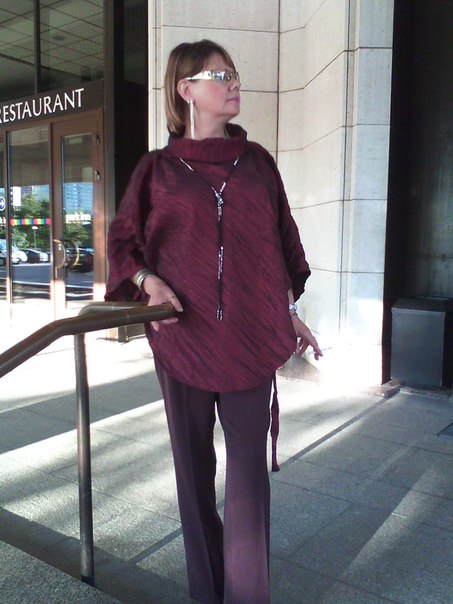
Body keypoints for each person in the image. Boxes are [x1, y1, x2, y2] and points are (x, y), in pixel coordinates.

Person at [105, 39, 322, 604]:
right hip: (182, 341)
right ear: (186, 89)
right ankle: (207, 592)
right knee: (193, 475)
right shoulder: (157, 171)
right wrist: (147, 281)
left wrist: (289, 314)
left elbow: (281, 247)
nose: (233, 82)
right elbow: (123, 243)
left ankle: (247, 595)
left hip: (249, 342)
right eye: (219, 75)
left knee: (249, 482)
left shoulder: (259, 165)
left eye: (233, 73)